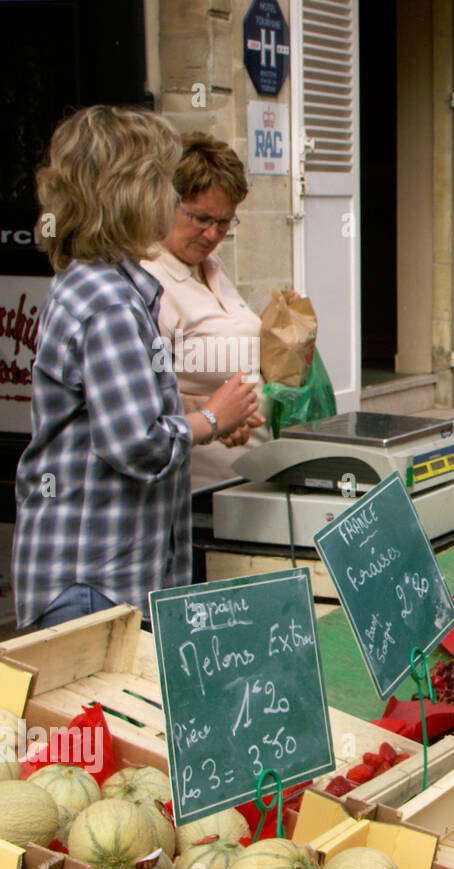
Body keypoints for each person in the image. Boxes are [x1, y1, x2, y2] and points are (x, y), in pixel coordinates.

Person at [13, 106, 260, 630]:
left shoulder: (108, 284)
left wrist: (196, 408)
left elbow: (112, 409)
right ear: (131, 194)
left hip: (111, 576)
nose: (173, 201)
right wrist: (211, 418)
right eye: (166, 187)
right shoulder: (107, 299)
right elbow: (133, 443)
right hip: (93, 580)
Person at [142, 134, 268, 492]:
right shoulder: (150, 283)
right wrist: (213, 418)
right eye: (201, 218)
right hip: (196, 487)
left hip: (245, 475)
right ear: (168, 203)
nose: (213, 233)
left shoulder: (211, 265)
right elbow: (144, 408)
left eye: (225, 223)